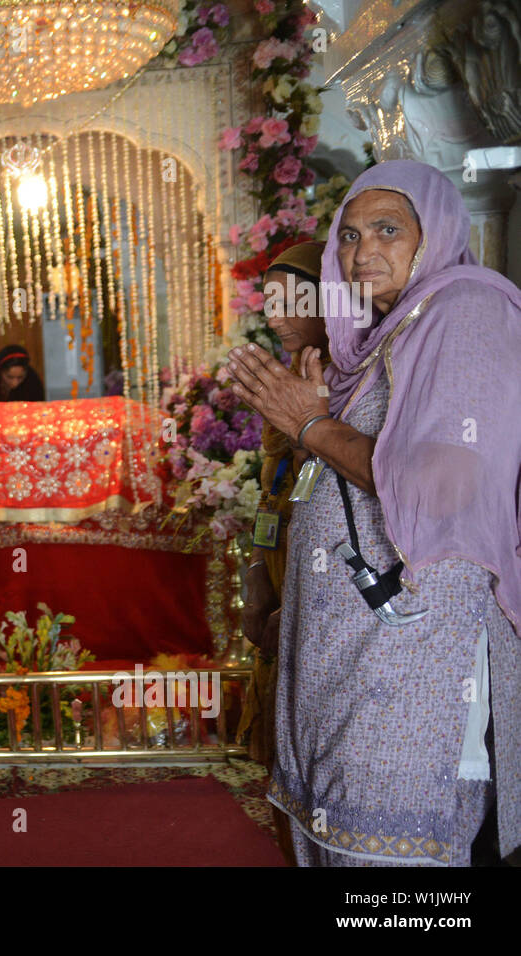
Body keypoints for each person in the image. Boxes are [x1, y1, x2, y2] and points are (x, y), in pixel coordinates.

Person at [227, 160, 521, 866]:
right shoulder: (383, 337)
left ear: (437, 231)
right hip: (361, 651)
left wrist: (312, 428)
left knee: (395, 867)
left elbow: (448, 483)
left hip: (420, 657)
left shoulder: (465, 310)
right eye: (350, 235)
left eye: (387, 230)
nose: (363, 252)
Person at [235, 239, 326, 863]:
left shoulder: (341, 388)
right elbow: (268, 500)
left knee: (318, 774)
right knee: (277, 777)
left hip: (320, 600)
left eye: (296, 297)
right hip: (278, 582)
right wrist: (255, 583)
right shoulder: (282, 384)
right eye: (271, 299)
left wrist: (293, 601)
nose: (278, 312)